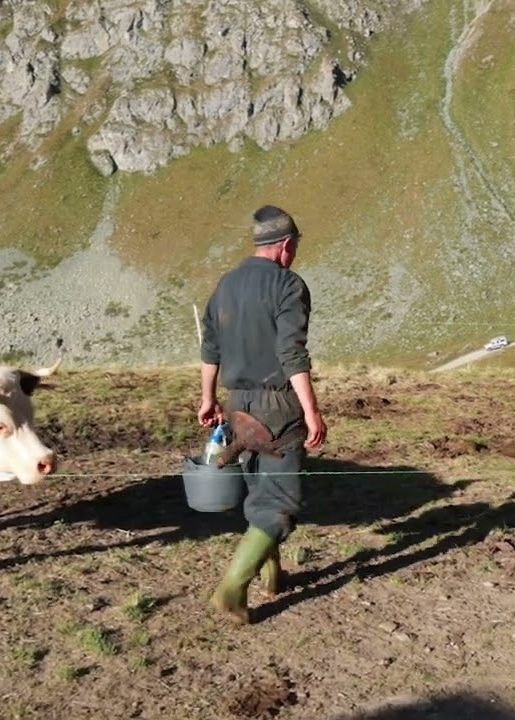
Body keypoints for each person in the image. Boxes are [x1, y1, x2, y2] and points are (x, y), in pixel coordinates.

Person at [197, 204, 328, 624]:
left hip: (237, 404)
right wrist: (311, 410)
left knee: (260, 494)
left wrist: (207, 398)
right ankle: (231, 590)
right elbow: (292, 353)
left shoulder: (225, 285)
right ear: (286, 245)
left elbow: (210, 349)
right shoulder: (288, 286)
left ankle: (272, 575)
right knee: (279, 503)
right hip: (277, 408)